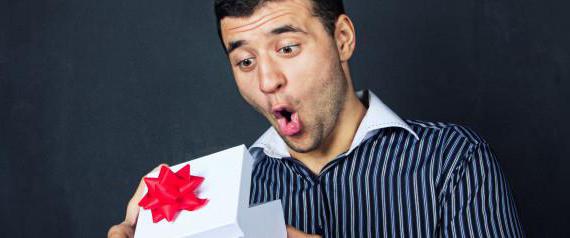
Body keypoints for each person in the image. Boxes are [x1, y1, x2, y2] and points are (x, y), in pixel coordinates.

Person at [108, 0, 524, 237]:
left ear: (342, 39)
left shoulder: (452, 161)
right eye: (245, 60)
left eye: (287, 47)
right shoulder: (227, 189)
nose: (267, 80)